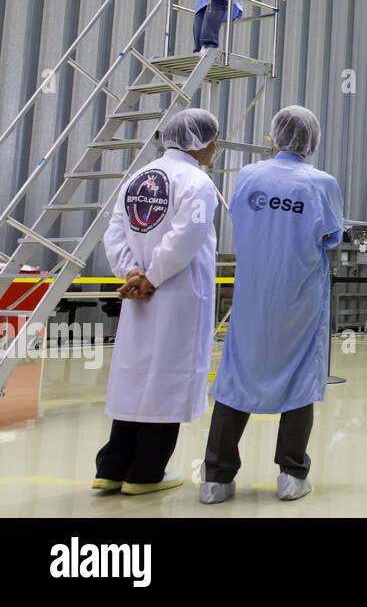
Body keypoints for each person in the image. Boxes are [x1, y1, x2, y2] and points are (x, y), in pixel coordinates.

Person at [201, 106, 344, 504]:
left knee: (237, 376)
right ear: (312, 140)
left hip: (251, 297)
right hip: (299, 297)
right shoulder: (322, 184)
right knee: (300, 378)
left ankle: (216, 478)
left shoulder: (248, 176)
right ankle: (292, 475)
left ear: (274, 137)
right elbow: (331, 237)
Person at [95, 109, 221, 495]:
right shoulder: (196, 182)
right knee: (169, 380)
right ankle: (146, 472)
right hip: (177, 296)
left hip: (139, 295)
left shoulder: (137, 178)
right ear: (201, 142)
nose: (216, 146)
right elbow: (188, 236)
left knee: (134, 377)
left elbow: (114, 232)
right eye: (214, 140)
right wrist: (152, 277)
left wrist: (132, 273)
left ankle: (112, 466)